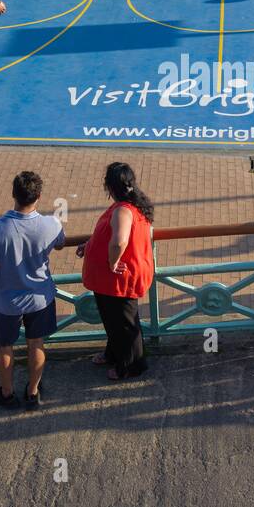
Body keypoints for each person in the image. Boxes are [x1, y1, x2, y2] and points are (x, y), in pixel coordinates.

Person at [0, 172, 66, 409]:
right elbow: (60, 243)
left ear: (13, 194)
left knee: (4, 346)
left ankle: (7, 394)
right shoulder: (52, 223)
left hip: (6, 301)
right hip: (41, 297)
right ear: (38, 196)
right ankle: (32, 392)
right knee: (36, 343)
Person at [78, 163, 155, 381]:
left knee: (125, 324)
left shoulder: (123, 210)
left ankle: (131, 366)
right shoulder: (134, 205)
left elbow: (119, 242)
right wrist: (91, 244)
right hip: (113, 280)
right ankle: (113, 354)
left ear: (110, 187)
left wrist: (112, 263)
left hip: (119, 278)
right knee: (114, 320)